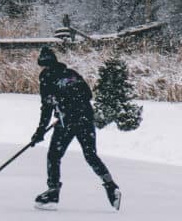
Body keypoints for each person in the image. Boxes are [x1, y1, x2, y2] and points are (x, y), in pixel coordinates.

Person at [30, 46, 121, 210]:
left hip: (67, 122)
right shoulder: (71, 74)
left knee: (54, 155)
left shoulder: (46, 77)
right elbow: (88, 94)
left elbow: (47, 107)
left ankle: (53, 191)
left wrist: (40, 130)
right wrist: (71, 105)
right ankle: (111, 186)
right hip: (85, 118)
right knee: (90, 155)